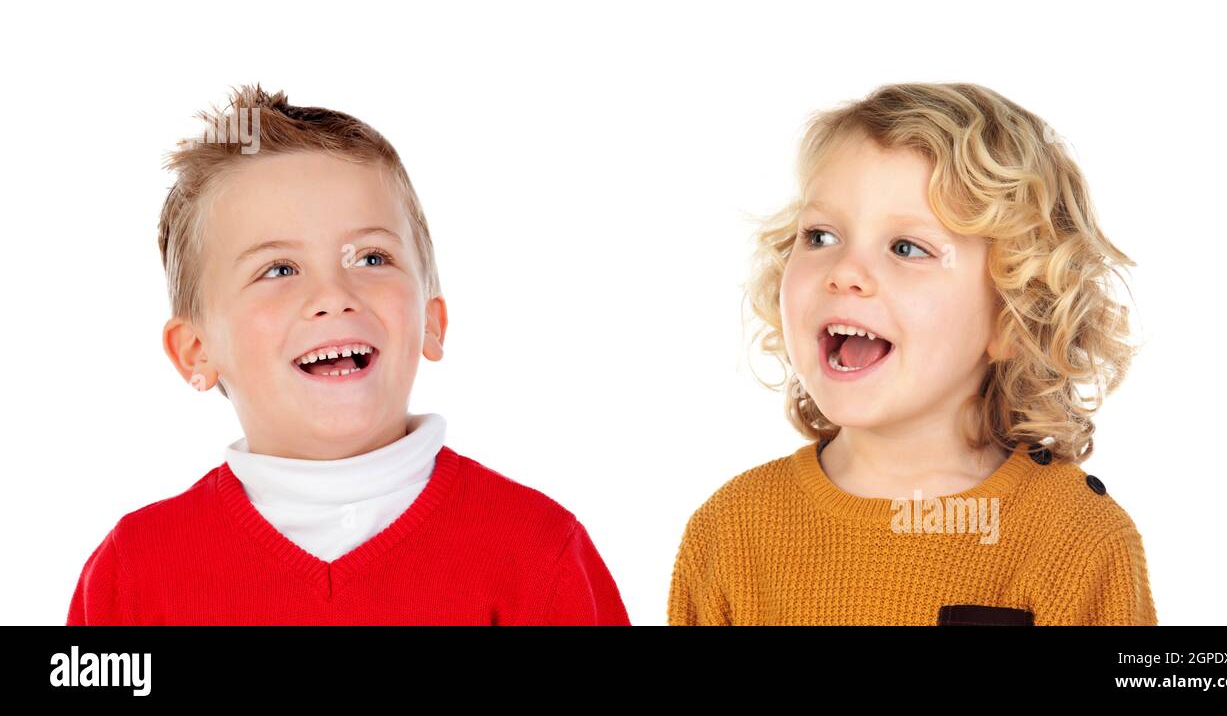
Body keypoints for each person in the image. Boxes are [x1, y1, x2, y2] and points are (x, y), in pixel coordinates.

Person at [67, 84, 630, 625]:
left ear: (431, 322)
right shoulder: (134, 573)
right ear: (196, 350)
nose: (334, 297)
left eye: (371, 258)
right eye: (279, 269)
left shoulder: (538, 553)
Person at [668, 83, 1156, 625]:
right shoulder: (733, 530)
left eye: (907, 248)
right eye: (821, 236)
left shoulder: (1075, 542)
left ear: (1015, 315)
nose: (846, 273)